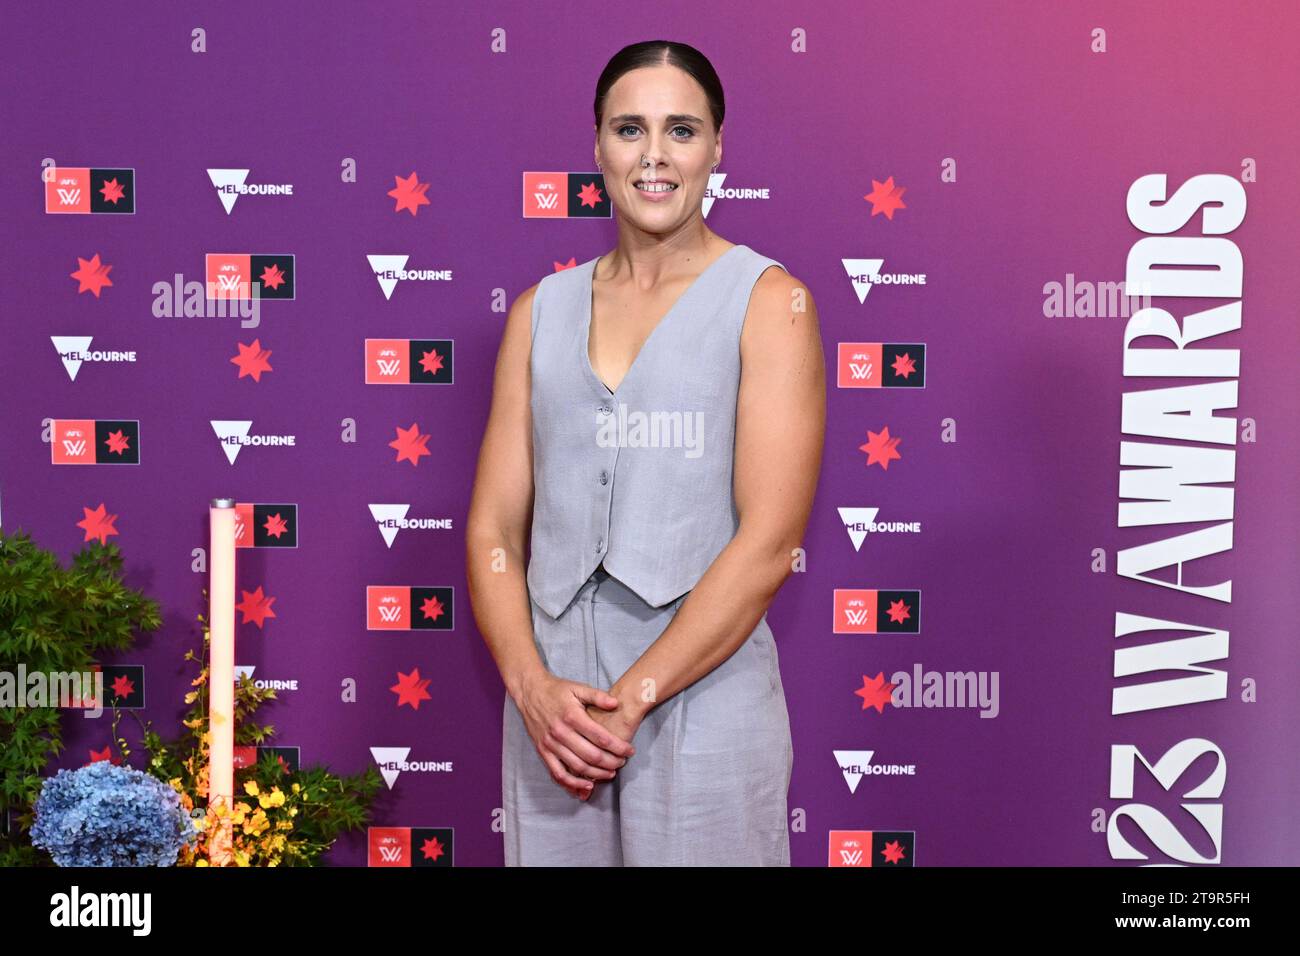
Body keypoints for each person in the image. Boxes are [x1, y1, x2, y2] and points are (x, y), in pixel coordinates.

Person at [466, 39, 825, 866]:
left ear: (718, 146)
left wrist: (633, 698)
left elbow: (769, 542)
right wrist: (532, 687)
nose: (655, 156)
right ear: (597, 145)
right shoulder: (539, 312)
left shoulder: (772, 304)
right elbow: (492, 527)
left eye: (682, 130)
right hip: (555, 715)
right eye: (631, 129)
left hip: (704, 696)